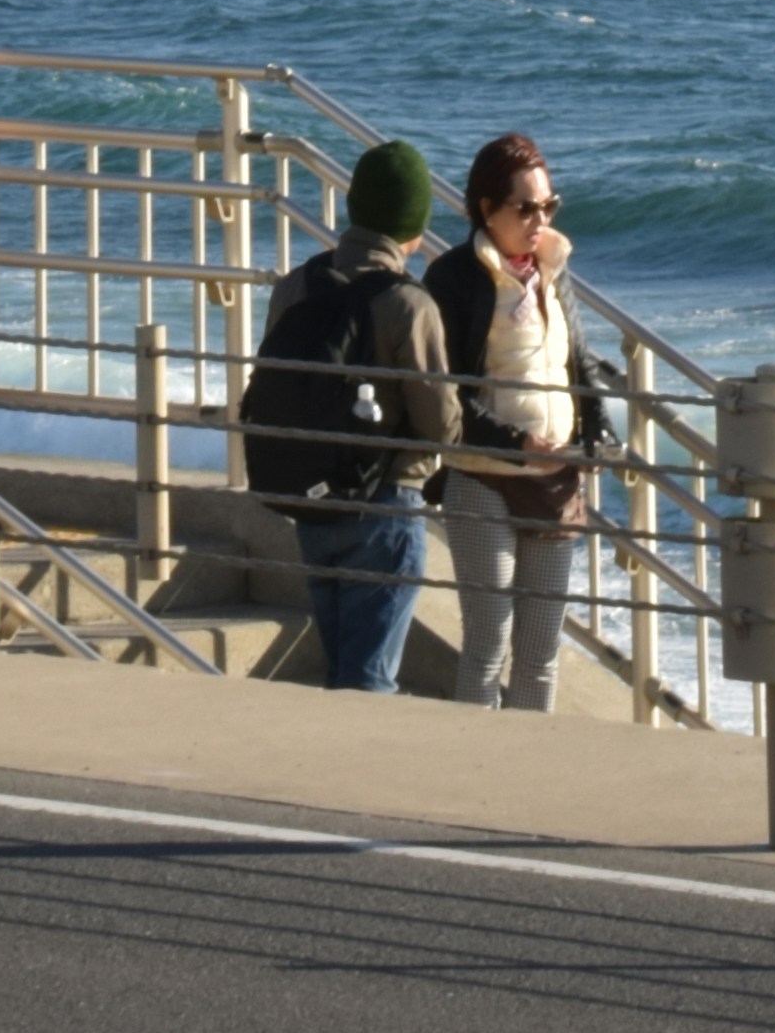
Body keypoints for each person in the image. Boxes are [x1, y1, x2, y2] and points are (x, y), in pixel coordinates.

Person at [243, 139, 456, 694]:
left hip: (311, 502)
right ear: (415, 225)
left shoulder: (297, 285)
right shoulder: (409, 305)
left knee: (341, 669)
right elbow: (442, 425)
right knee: (369, 680)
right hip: (385, 505)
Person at [423, 133, 601, 711]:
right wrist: (515, 442)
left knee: (541, 648)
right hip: (482, 474)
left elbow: (577, 357)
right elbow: (445, 393)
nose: (539, 219)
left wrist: (597, 430)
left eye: (549, 206)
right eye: (525, 208)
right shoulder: (454, 277)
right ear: (485, 209)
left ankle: (533, 770)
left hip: (554, 478)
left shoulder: (553, 266)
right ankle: (477, 770)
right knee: (488, 640)